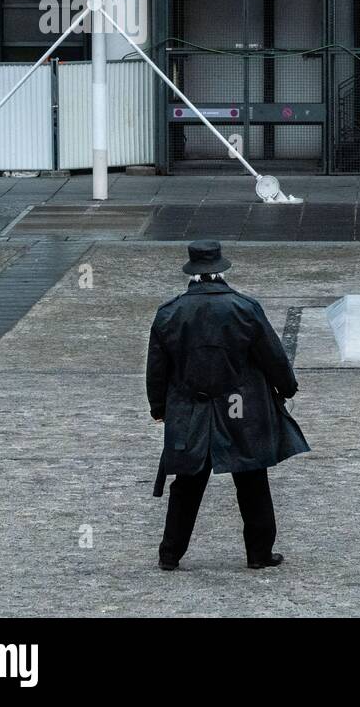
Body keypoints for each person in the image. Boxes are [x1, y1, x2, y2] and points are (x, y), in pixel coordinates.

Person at [146, 240, 310, 570]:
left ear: (192, 273)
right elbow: (272, 356)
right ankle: (259, 553)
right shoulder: (244, 308)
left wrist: (159, 407)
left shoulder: (169, 314)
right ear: (221, 270)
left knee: (188, 483)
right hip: (241, 408)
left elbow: (157, 369)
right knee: (251, 479)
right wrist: (287, 387)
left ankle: (170, 553)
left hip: (192, 409)